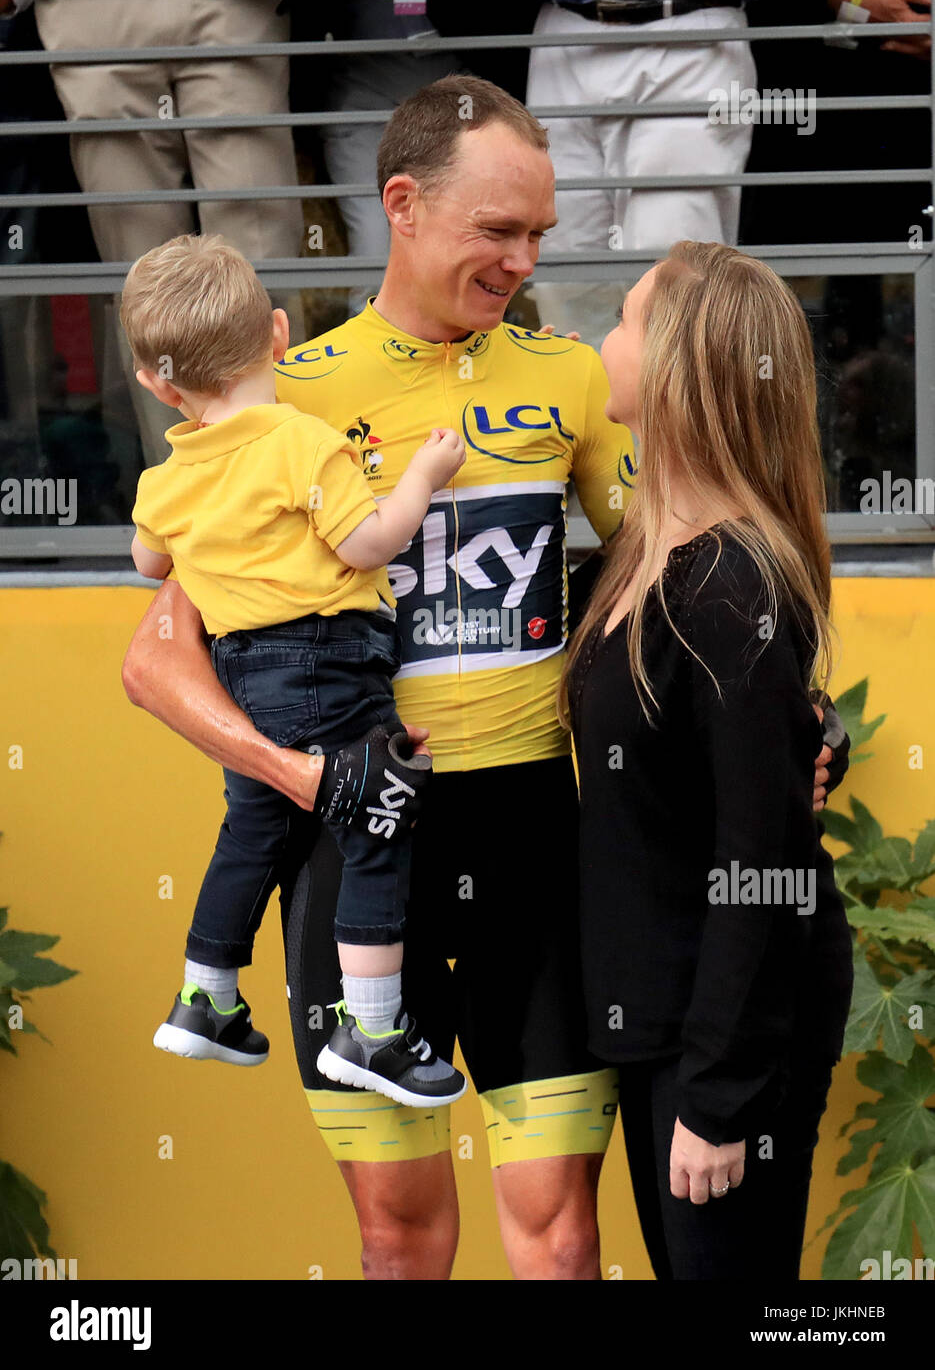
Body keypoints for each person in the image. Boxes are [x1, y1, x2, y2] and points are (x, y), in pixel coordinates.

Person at [122, 76, 845, 1280]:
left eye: (539, 236)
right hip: (356, 852)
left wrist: (790, 722)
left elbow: (675, 565)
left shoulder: (573, 378)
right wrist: (297, 774)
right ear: (401, 205)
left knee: (559, 1238)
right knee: (400, 1237)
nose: (522, 260)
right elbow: (158, 658)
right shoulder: (281, 394)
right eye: (496, 231)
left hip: (535, 847)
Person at [562, 240, 854, 1279]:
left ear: (679, 370)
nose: (606, 336)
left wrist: (717, 1098)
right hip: (659, 1014)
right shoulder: (637, 560)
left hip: (724, 1034)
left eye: (629, 318)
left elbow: (762, 863)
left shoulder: (727, 588)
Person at [123, 231, 466, 1105]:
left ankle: (206, 994)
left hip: (242, 675)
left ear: (157, 386)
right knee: (379, 817)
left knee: (254, 828)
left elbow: (149, 565)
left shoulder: (165, 481)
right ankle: (373, 1027)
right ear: (278, 335)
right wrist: (423, 475)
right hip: (328, 660)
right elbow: (366, 544)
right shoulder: (300, 440)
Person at [33, 0, 306, 466]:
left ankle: (292, 481)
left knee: (262, 260)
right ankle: (184, 505)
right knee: (144, 285)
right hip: (90, 2)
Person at [527, 0, 762, 349]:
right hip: (563, 29)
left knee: (672, 273)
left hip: (690, 27)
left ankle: (672, 407)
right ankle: (586, 405)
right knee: (565, 269)